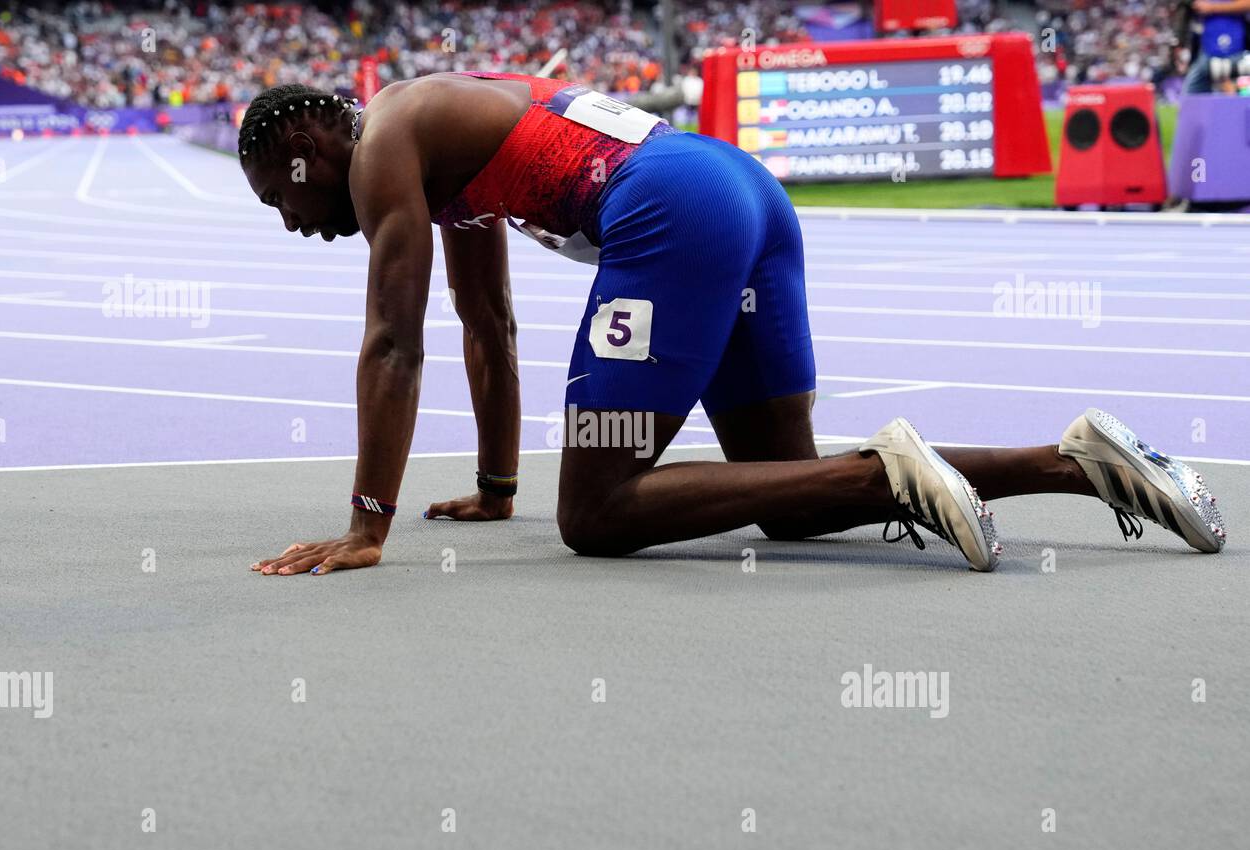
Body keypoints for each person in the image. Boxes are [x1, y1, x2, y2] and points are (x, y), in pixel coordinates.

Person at [240, 72, 1226, 576]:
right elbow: (487, 324)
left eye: (274, 196)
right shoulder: (429, 144)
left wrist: (365, 527)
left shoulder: (381, 150)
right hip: (739, 189)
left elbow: (393, 341)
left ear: (307, 148)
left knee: (596, 510)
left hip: (673, 209)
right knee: (787, 494)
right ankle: (1075, 460)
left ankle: (887, 472)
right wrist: (497, 489)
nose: (288, 222)